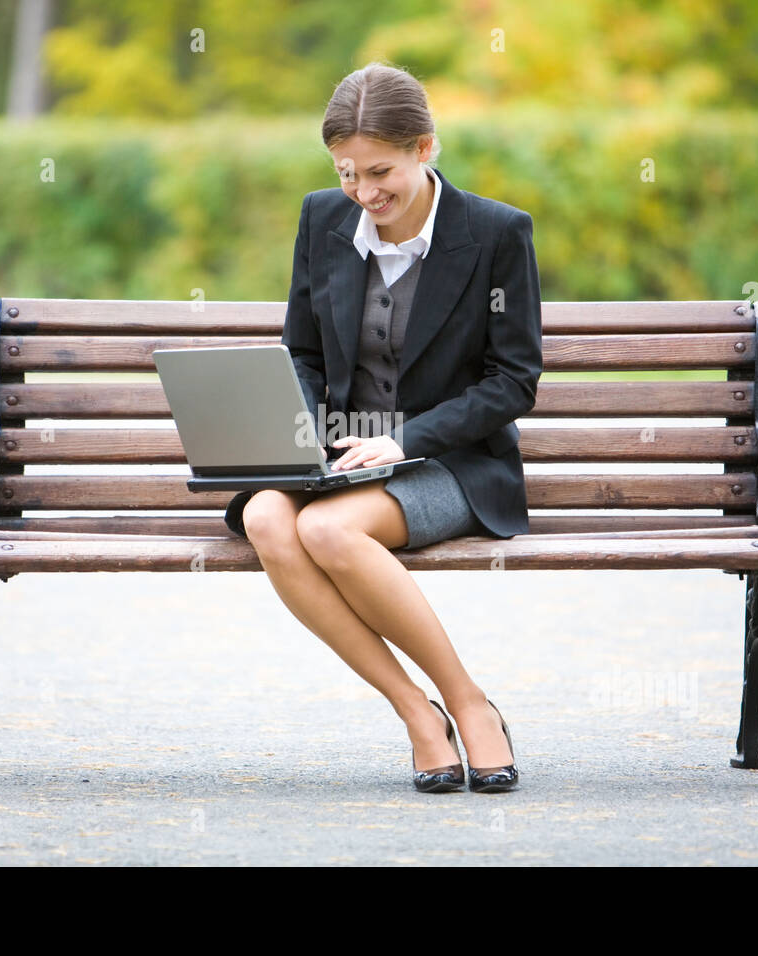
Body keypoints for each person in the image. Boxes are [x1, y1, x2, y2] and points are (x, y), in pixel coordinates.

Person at [223, 62, 542, 793]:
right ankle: (416, 713)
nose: (365, 195)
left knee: (329, 532)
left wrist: (406, 440)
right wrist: (302, 436)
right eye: (346, 174)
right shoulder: (322, 220)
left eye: (380, 171)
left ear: (425, 148)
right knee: (271, 519)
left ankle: (468, 703)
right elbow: (301, 351)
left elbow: (513, 382)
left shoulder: (495, 234)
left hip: (449, 461)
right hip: (336, 459)